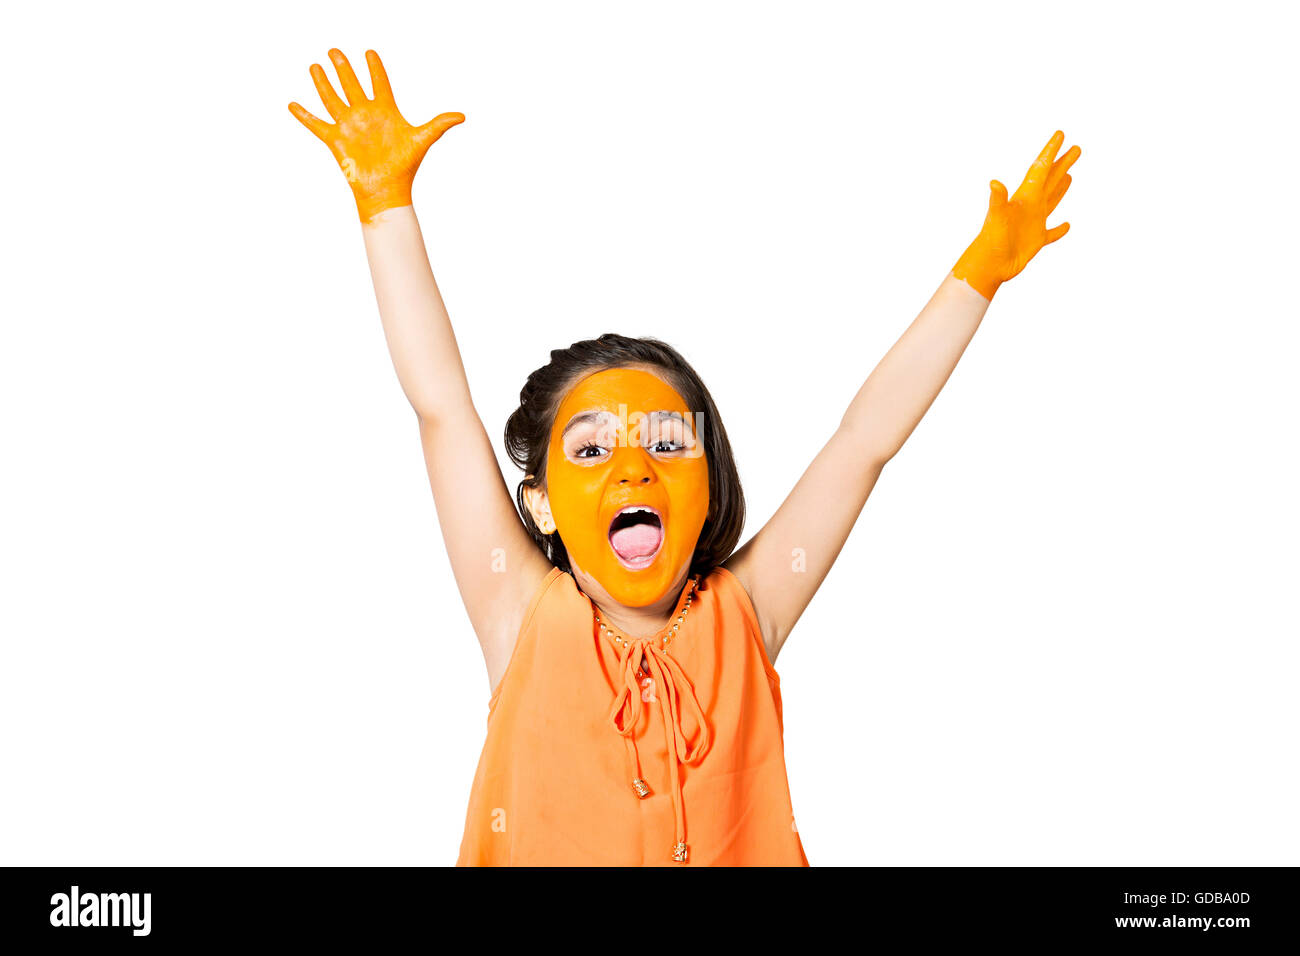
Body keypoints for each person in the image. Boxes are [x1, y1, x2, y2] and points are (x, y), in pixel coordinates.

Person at [288, 48, 1081, 866]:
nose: (634, 469)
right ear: (543, 504)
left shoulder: (748, 613)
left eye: (667, 444)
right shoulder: (516, 612)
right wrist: (385, 209)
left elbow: (863, 442)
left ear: (709, 487)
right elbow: (442, 408)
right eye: (592, 448)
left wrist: (978, 277)